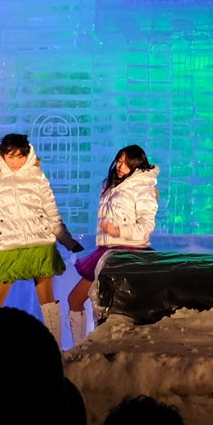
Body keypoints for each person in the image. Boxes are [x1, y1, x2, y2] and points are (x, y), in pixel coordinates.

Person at [0, 132, 84, 343]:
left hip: (41, 243)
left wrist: (67, 240)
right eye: (11, 156)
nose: (16, 161)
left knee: (47, 299)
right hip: (9, 244)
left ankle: (56, 348)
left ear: (27, 154)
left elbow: (51, 211)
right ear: (2, 154)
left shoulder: (37, 176)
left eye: (20, 156)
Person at [66, 142, 158, 346]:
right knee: (78, 300)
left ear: (137, 165)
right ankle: (80, 348)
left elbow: (145, 227)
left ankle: (106, 349)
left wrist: (118, 231)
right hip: (106, 253)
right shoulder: (109, 185)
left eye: (126, 162)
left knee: (110, 308)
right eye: (119, 160)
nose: (120, 165)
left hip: (129, 255)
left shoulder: (143, 189)